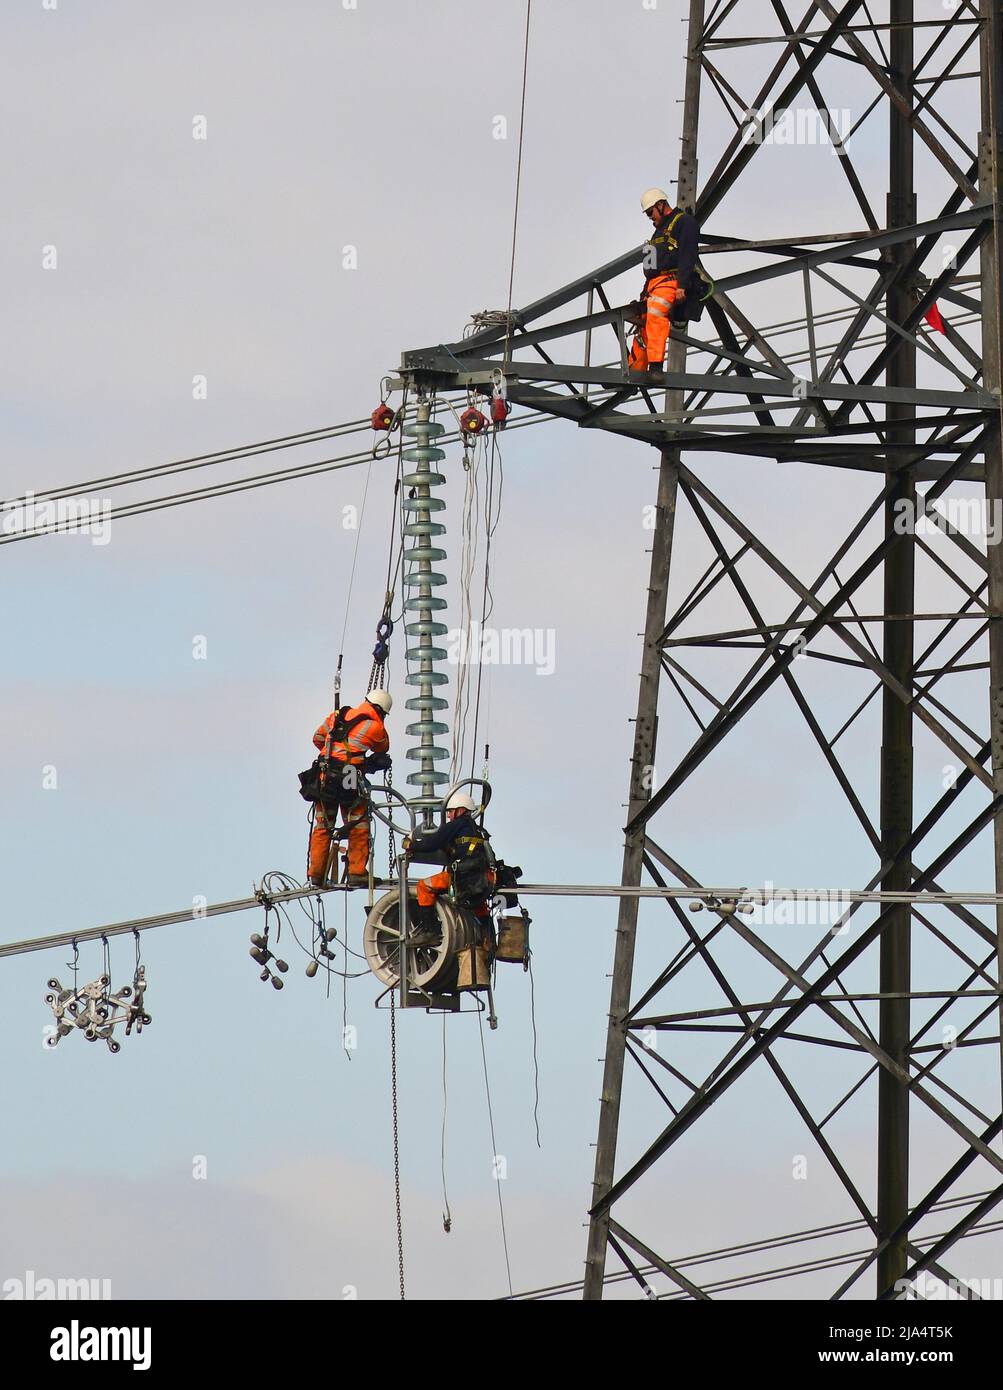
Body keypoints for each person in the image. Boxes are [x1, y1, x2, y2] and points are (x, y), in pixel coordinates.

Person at [308, 689, 392, 887]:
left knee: (323, 825)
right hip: (348, 776)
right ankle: (356, 872)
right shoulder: (375, 726)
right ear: (381, 711)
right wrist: (359, 760)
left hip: (324, 775)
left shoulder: (337, 716)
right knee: (358, 821)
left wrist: (334, 753)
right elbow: (383, 748)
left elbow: (317, 738)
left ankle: (317, 874)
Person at [628, 187, 700, 373]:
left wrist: (682, 285)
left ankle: (656, 367)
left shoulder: (683, 222)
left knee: (656, 313)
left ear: (660, 205)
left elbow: (688, 255)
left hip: (671, 282)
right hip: (654, 286)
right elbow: (651, 271)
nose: (650, 217)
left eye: (651, 212)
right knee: (642, 323)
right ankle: (634, 369)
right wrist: (644, 294)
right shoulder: (657, 235)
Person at [407, 790, 496, 927]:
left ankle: (429, 931)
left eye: (450, 811)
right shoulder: (478, 830)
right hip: (482, 878)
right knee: (478, 903)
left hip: (462, 877)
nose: (448, 815)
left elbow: (433, 843)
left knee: (424, 886)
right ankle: (488, 940)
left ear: (460, 810)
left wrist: (411, 845)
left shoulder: (456, 825)